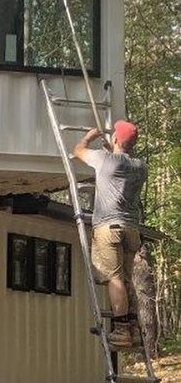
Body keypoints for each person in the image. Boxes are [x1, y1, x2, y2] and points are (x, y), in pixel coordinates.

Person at [72, 120, 147, 349]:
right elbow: (118, 165)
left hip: (109, 227)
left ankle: (122, 329)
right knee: (125, 279)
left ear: (115, 139)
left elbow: (77, 152)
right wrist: (111, 149)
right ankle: (132, 327)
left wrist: (90, 137)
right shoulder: (141, 166)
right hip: (132, 229)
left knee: (114, 279)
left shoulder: (105, 160)